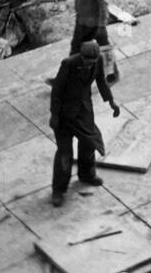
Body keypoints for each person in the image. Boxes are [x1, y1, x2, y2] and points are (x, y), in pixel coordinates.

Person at [49, 39, 120, 207]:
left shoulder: (98, 60)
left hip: (84, 111)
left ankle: (86, 174)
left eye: (93, 61)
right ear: (82, 56)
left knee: (89, 142)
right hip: (65, 115)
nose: (90, 64)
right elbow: (57, 91)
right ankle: (58, 190)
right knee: (65, 153)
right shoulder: (68, 64)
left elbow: (101, 82)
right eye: (88, 60)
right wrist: (54, 115)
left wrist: (111, 102)